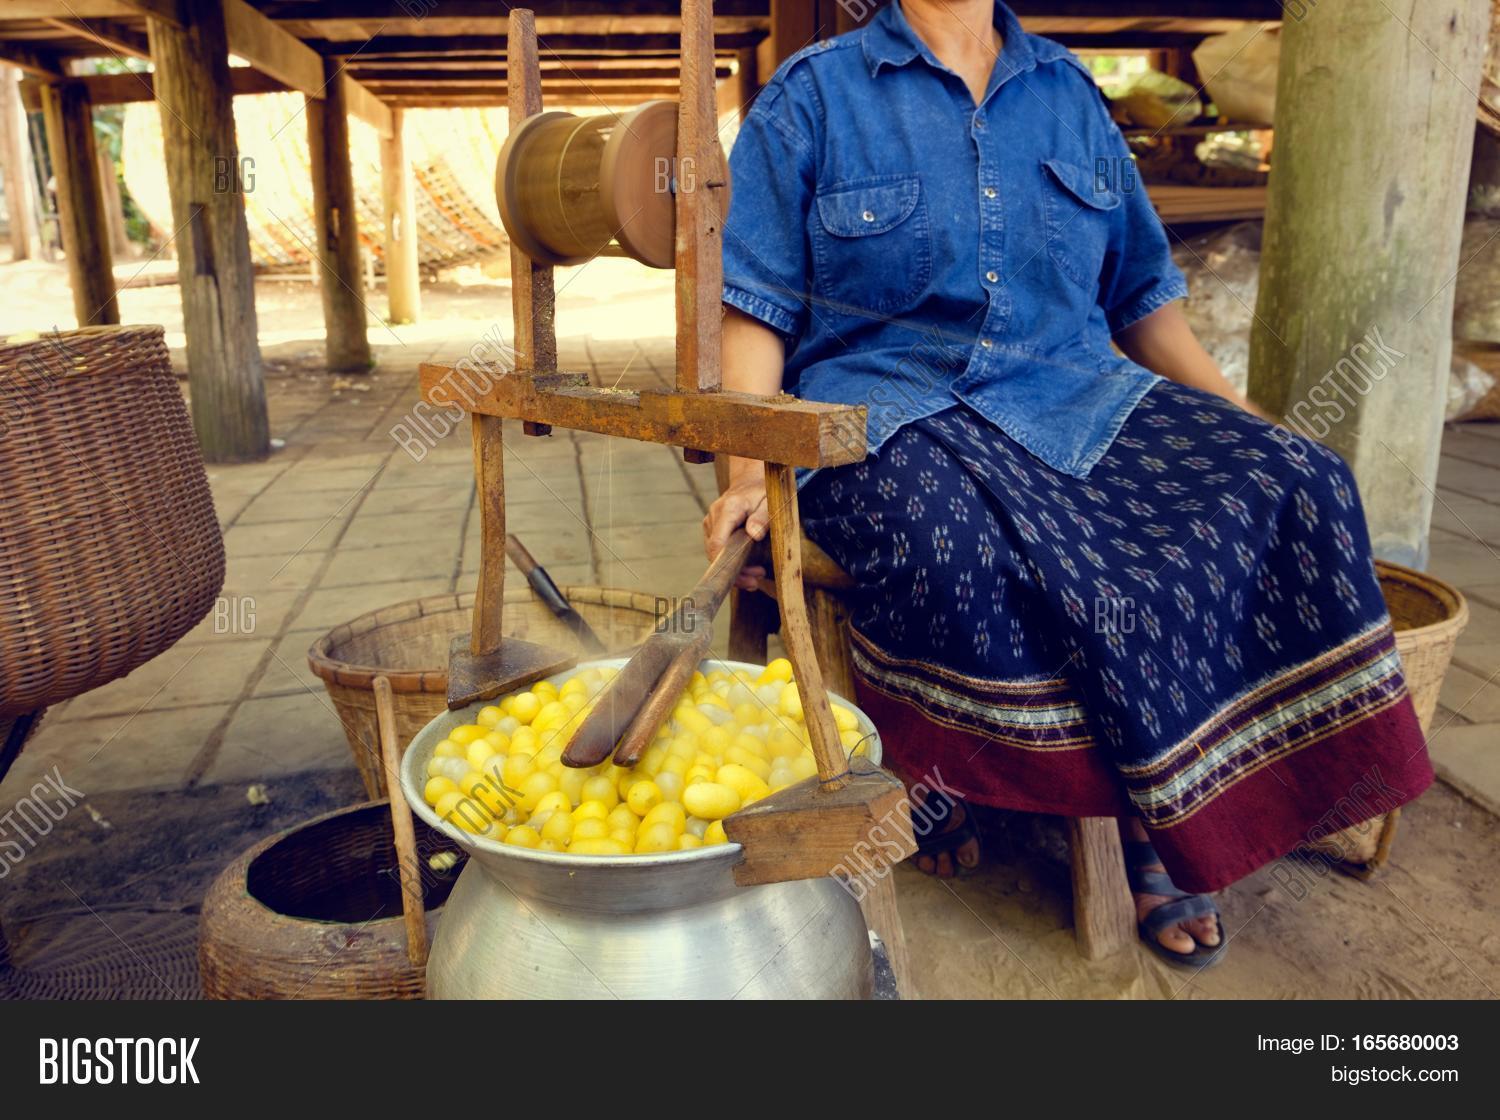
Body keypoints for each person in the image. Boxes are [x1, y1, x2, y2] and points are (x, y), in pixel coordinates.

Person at [702, 0, 1432, 967]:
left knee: (1298, 476)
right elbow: (755, 308)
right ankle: (948, 768)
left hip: (1074, 394)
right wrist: (746, 471)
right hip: (887, 410)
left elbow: (1142, 301)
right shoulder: (812, 97)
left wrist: (1240, 413)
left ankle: (1171, 790)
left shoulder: (1068, 93)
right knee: (954, 539)